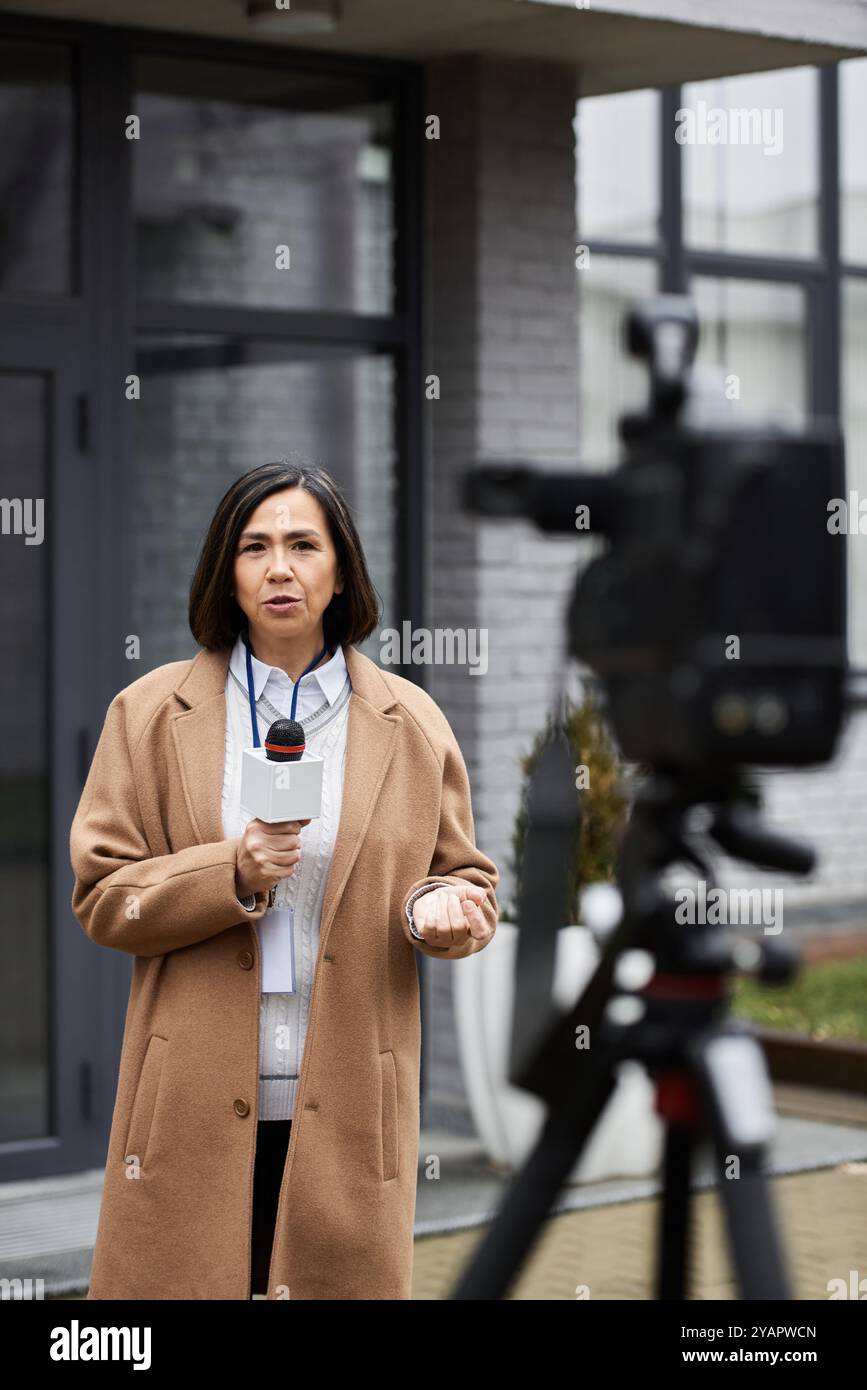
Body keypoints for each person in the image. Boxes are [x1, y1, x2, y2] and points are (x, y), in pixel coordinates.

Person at [69, 458, 499, 1300]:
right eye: (254, 547)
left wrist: (443, 911)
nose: (278, 568)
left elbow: (461, 878)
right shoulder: (150, 714)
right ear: (224, 575)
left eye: (304, 544)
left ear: (340, 572)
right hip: (187, 1100)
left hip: (346, 1100)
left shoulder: (410, 723)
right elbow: (103, 895)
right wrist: (226, 869)